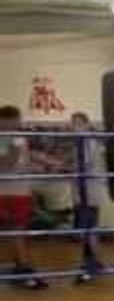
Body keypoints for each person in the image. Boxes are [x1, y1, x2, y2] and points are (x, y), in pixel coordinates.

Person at [0, 105, 60, 290]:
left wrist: (49, 164)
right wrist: (13, 152)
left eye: (18, 119)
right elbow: (4, 166)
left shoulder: (18, 137)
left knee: (18, 232)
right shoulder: (3, 139)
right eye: (13, 119)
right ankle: (25, 271)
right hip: (6, 193)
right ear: (4, 120)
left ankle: (21, 269)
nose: (17, 122)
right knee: (16, 232)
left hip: (20, 191)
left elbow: (26, 158)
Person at [67, 112, 107, 284]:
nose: (74, 126)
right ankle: (93, 261)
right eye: (73, 123)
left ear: (86, 123)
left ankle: (90, 263)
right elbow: (77, 166)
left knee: (88, 227)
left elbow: (84, 165)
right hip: (81, 191)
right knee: (85, 228)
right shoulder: (80, 143)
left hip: (89, 192)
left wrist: (63, 166)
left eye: (78, 123)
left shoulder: (88, 142)